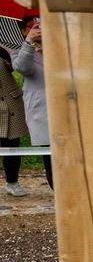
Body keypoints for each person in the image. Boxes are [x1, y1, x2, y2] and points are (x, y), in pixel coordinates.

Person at [11, 17, 52, 190]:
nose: (39, 29)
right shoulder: (19, 49)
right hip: (41, 109)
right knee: (50, 155)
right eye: (34, 26)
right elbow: (22, 68)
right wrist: (30, 43)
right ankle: (57, 191)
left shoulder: (58, 46)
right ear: (24, 30)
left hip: (66, 108)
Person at [1, 46, 28, 196]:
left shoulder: (3, 49)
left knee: (12, 146)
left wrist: (4, 50)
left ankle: (12, 182)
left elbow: (16, 66)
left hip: (10, 105)